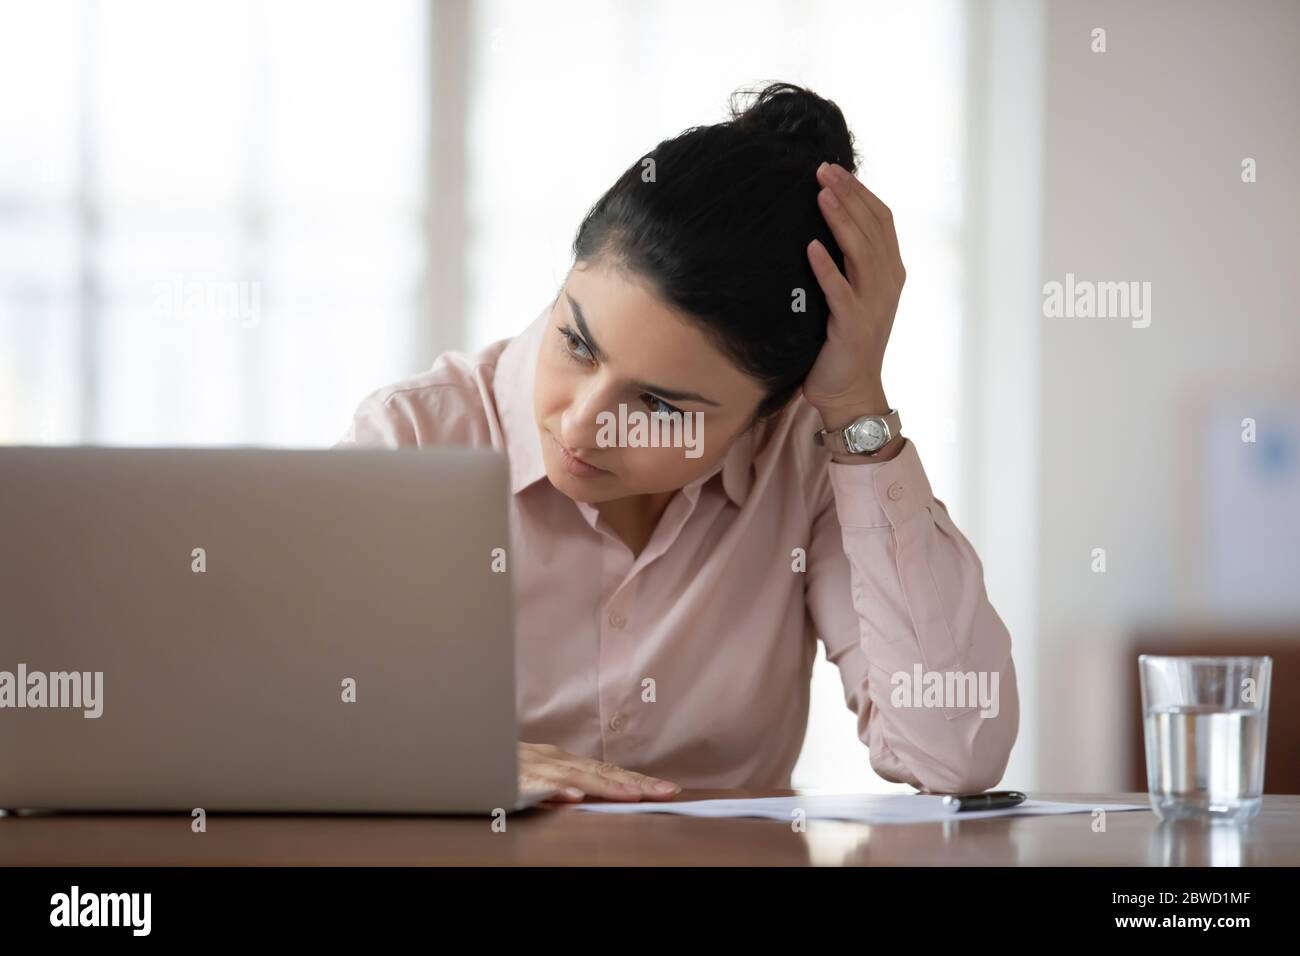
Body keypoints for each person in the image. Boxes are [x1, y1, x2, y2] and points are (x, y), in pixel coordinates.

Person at [337, 82, 1019, 803]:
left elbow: (955, 754)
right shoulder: (412, 440)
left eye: (659, 404)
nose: (579, 424)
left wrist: (856, 408)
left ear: (771, 407)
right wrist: (452, 762)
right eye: (576, 341)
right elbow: (291, 717)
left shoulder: (810, 463)